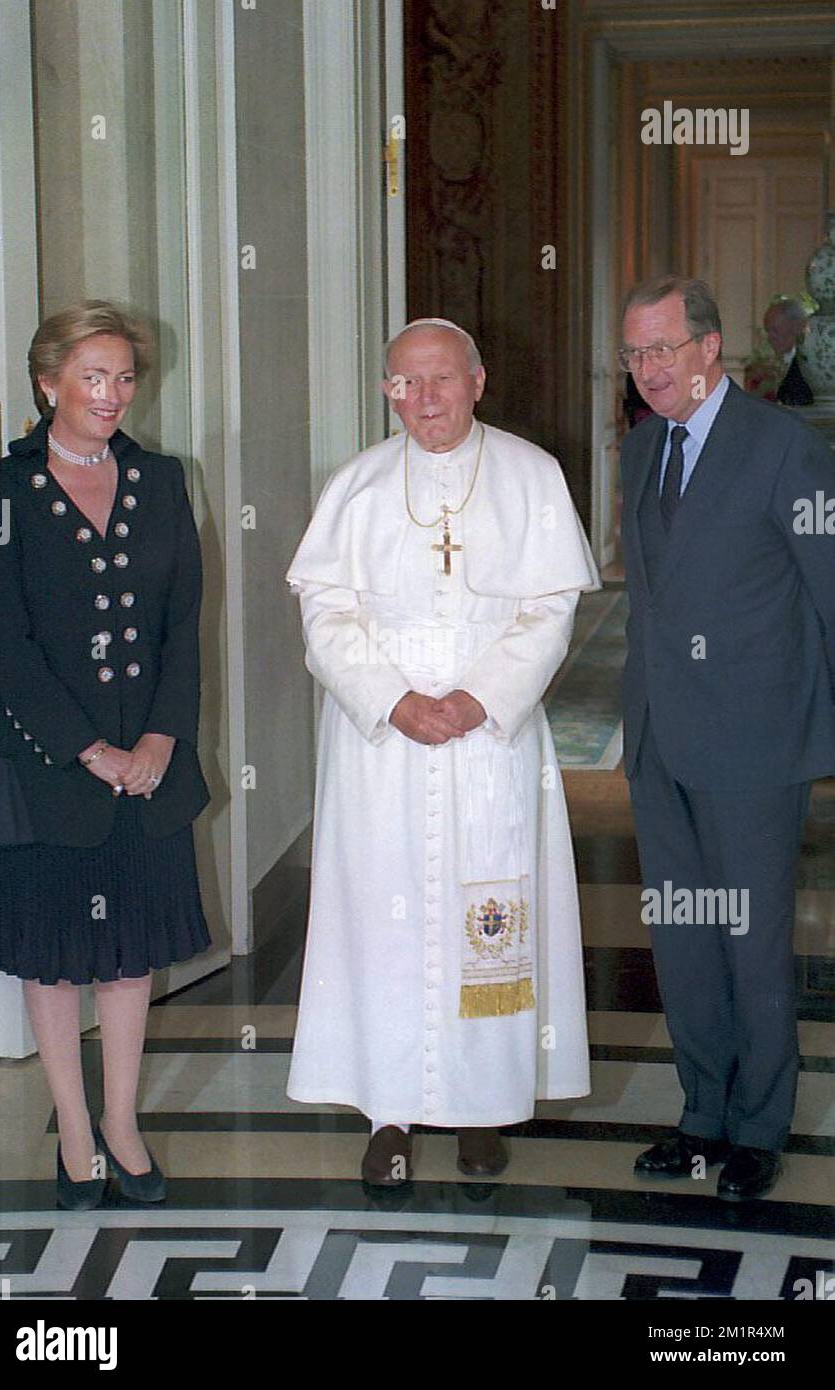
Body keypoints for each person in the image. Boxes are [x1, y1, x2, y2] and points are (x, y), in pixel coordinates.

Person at [285, 318, 599, 1186]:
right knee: (382, 924)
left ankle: (483, 1106)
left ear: (476, 381)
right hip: (379, 741)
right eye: (403, 384)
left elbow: (549, 610)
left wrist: (475, 697)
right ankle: (388, 1110)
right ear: (386, 392)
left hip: (487, 739)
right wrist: (390, 699)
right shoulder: (355, 484)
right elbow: (325, 616)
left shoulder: (531, 476)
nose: (423, 400)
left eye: (440, 381)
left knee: (486, 924)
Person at [0, 300, 211, 1208]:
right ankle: (72, 1131)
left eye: (124, 377)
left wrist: (157, 736)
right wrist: (89, 750)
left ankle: (121, 1124)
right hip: (40, 760)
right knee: (52, 952)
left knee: (130, 950)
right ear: (48, 383)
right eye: (92, 377)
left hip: (146, 756)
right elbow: (4, 641)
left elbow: (182, 622)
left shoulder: (162, 479)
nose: (111, 395)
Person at [618, 275, 834, 1201]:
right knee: (685, 941)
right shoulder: (636, 452)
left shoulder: (783, 447)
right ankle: (701, 1113)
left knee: (751, 942)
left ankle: (758, 1126)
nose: (647, 370)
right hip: (659, 738)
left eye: (663, 349)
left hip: (754, 743)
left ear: (709, 348)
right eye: (633, 354)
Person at [763, 296, 814, 407]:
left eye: (775, 330)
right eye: (768, 331)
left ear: (797, 327)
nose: (770, 337)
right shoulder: (770, 366)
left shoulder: (811, 362)